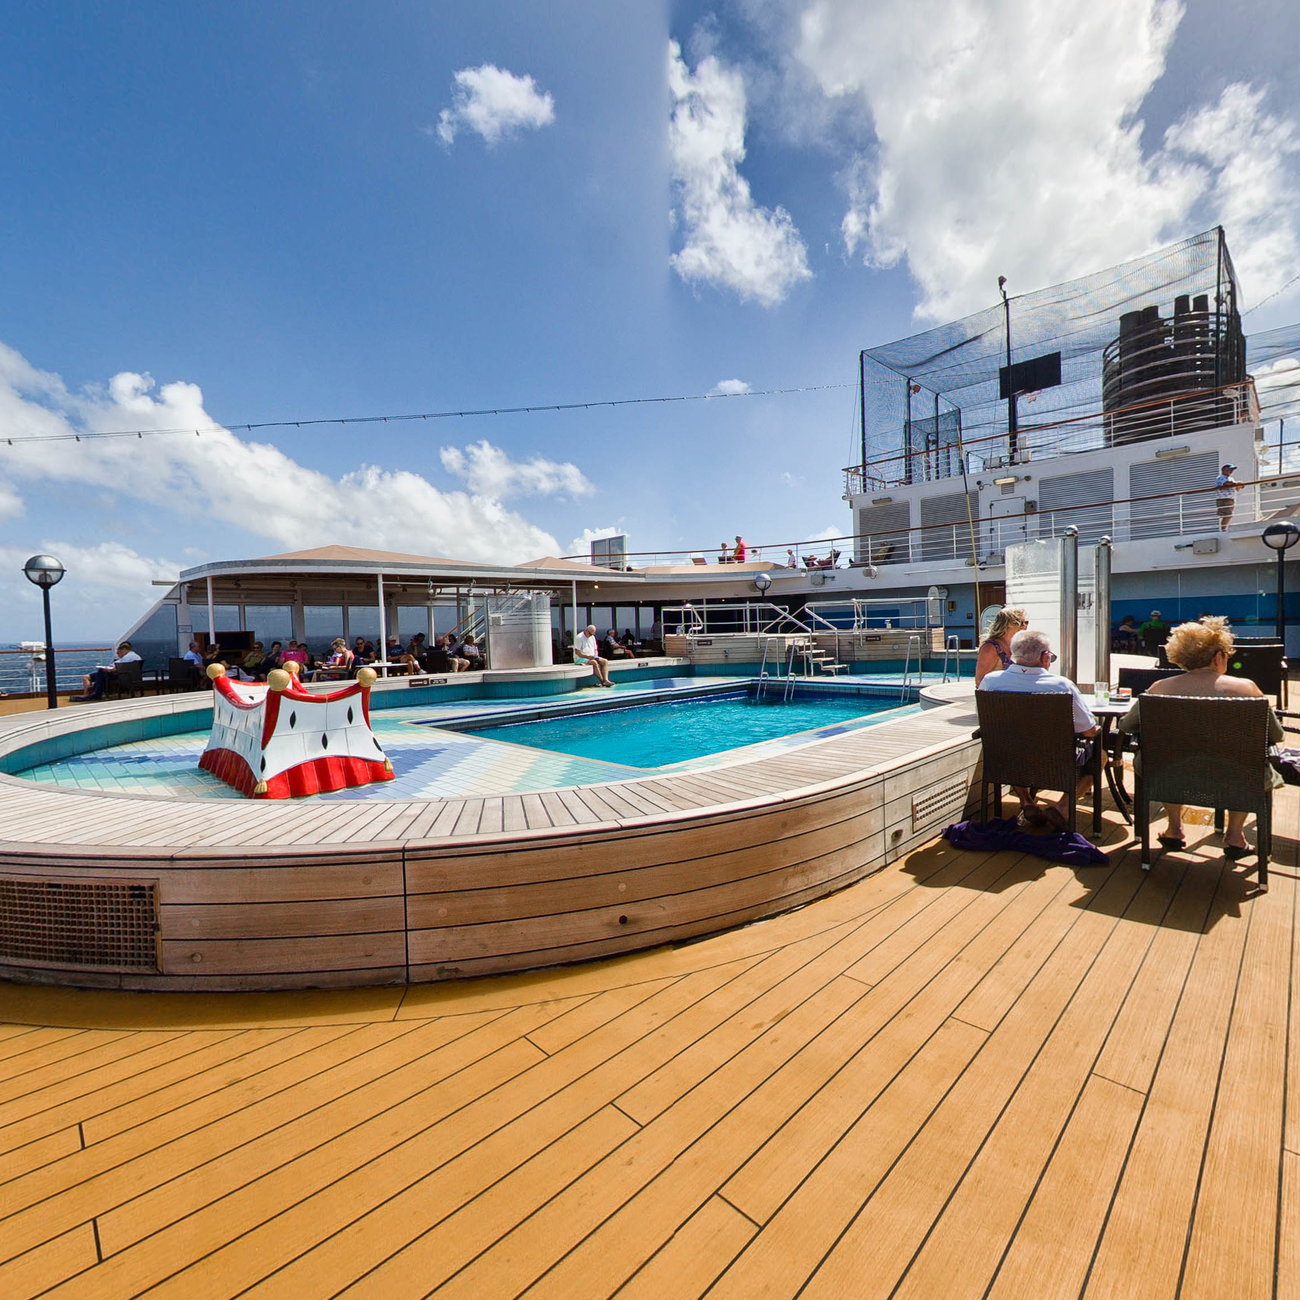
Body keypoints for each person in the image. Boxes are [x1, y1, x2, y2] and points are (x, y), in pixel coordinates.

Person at [1119, 616, 1283, 857]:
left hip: (1172, 776)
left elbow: (1126, 725)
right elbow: (1275, 735)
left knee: (1165, 758)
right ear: (1218, 657)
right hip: (1235, 779)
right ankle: (1235, 835)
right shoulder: (1247, 689)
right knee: (1245, 761)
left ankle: (1174, 828)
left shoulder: (1159, 689)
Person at [979, 628, 1100, 821]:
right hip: (1056, 760)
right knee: (1100, 756)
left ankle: (1026, 801)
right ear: (1045, 657)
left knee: (1012, 745)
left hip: (1006, 758)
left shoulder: (991, 682)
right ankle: (1063, 807)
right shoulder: (1062, 686)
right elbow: (1089, 731)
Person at [975, 607, 1029, 685]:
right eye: (1023, 623)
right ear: (1009, 624)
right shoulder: (991, 647)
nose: (1025, 626)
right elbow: (980, 681)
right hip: (998, 695)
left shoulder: (1019, 646)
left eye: (1027, 623)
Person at [72, 642, 142, 702]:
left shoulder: (127, 657)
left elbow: (117, 669)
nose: (118, 654)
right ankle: (91, 694)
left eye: (119, 652)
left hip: (123, 676)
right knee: (89, 676)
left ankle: (96, 694)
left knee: (101, 672)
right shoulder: (135, 656)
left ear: (124, 650)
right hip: (130, 677)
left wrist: (108, 669)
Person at [1214, 462, 1243, 531]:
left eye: (1232, 470)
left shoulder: (1231, 478)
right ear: (1223, 470)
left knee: (1228, 514)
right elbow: (1226, 484)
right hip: (1224, 499)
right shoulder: (1220, 477)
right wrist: (1237, 483)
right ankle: (1223, 529)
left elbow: (1235, 487)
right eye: (1229, 469)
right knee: (1228, 514)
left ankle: (1223, 528)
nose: (1231, 471)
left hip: (1229, 499)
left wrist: (1239, 485)